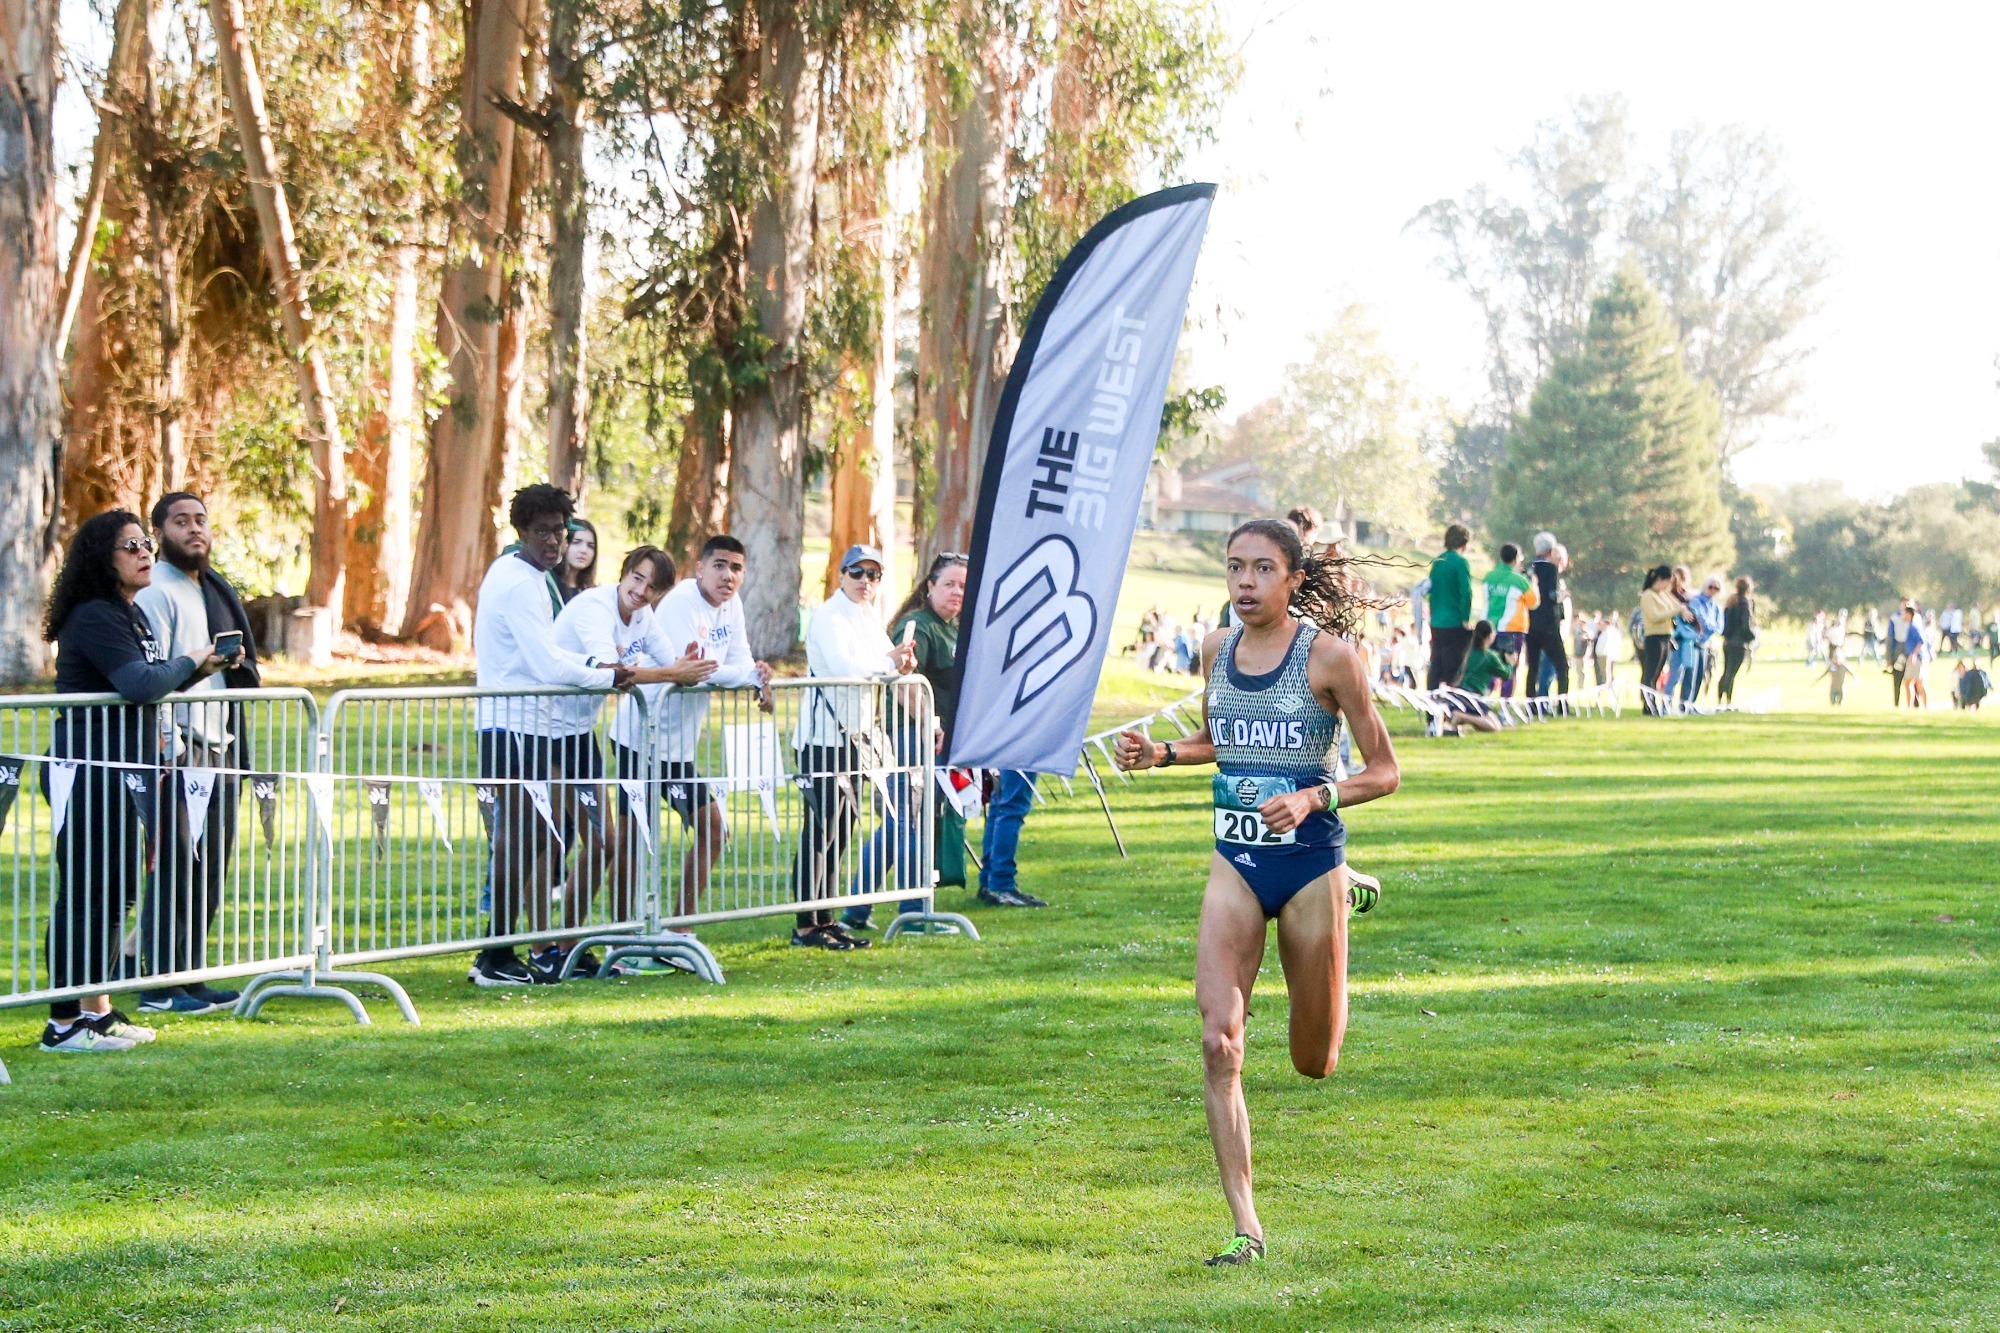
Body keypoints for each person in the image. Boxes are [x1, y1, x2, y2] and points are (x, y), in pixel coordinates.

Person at [1112, 519, 1400, 1267]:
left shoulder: (1331, 658)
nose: (1244, 582)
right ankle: (1246, 1225)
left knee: (1314, 1061)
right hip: (1237, 859)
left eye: (1262, 568)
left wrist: (1314, 798)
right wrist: (1164, 753)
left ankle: (1349, 892)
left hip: (1309, 864)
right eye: (1235, 567)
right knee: (1219, 1042)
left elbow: (1384, 771)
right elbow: (1223, 739)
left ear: (1293, 578)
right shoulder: (1216, 649)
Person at [39, 511, 231, 1053]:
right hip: (89, 773)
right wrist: (190, 657)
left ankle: (95, 1011)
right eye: (131, 546)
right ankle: (62, 1023)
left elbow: (150, 683)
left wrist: (203, 665)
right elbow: (139, 684)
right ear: (104, 559)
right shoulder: (95, 615)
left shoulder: (129, 613)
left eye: (146, 544)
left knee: (116, 895)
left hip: (128, 774)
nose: (144, 553)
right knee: (85, 896)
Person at [468, 486, 631, 987]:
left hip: (527, 724)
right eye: (543, 532)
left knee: (538, 836)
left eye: (560, 531)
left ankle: (518, 949)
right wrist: (604, 673)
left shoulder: (533, 578)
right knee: (521, 838)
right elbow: (542, 662)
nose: (554, 541)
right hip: (510, 725)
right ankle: (494, 955)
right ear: (521, 532)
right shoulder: (517, 581)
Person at [546, 545, 708, 978]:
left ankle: (568, 945)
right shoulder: (593, 609)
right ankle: (545, 950)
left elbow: (671, 659)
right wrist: (676, 673)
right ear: (623, 574)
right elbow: (613, 670)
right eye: (636, 578)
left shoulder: (643, 615)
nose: (641, 590)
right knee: (548, 844)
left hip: (579, 734)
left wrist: (687, 662)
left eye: (652, 586)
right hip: (542, 731)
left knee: (605, 842)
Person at [132, 491, 260, 1015]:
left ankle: (192, 973)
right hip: (180, 749)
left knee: (209, 867)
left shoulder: (211, 588)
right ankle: (159, 985)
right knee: (174, 867)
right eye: (180, 521)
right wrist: (166, 746)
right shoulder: (155, 592)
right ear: (159, 532)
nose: (194, 529)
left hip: (220, 747)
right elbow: (153, 672)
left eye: (201, 520)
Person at [630, 533, 774, 930]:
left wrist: (757, 674)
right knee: (629, 844)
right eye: (720, 566)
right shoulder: (680, 604)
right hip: (639, 738)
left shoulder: (733, 605)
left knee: (714, 829)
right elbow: (693, 673)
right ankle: (619, 937)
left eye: (737, 568)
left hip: (677, 748)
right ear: (700, 568)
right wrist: (748, 676)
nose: (728, 576)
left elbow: (739, 657)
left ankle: (679, 929)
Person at [792, 544, 918, 949]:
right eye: (857, 573)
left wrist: (900, 663)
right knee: (822, 828)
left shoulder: (866, 615)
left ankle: (826, 918)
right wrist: (888, 664)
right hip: (822, 739)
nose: (866, 582)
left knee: (842, 829)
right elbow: (847, 669)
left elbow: (882, 659)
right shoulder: (829, 617)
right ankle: (805, 925)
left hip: (855, 737)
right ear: (841, 575)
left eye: (874, 575)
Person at [844, 552, 969, 934]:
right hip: (908, 736)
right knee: (910, 823)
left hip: (936, 739)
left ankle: (855, 909)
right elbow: (901, 682)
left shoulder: (954, 627)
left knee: (900, 824)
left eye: (964, 586)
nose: (956, 592)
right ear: (929, 587)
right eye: (949, 584)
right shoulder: (918, 625)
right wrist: (930, 723)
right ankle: (915, 912)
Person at [1480, 542, 1537, 698]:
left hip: (1489, 628)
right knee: (1509, 668)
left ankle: (1482, 700)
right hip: (1511, 630)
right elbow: (1534, 603)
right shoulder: (1519, 580)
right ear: (1516, 558)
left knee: (1490, 666)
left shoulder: (1489, 577)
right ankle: (1505, 707)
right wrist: (1534, 584)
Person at [1424, 524, 1474, 689]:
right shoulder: (1461, 562)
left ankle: (1431, 710)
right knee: (1454, 669)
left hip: (1436, 620)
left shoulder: (1437, 562)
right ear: (1464, 543)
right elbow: (1465, 592)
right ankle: (1451, 709)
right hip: (1454, 622)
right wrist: (1465, 618)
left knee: (1436, 665)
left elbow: (1430, 589)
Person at [1523, 532, 1570, 703]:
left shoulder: (1528, 568)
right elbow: (1552, 595)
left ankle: (1531, 702)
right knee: (1562, 665)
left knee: (1533, 666)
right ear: (1551, 551)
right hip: (1549, 623)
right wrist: (1563, 595)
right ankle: (1562, 703)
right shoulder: (1551, 569)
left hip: (1530, 622)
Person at [1637, 567, 1680, 712]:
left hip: (1666, 636)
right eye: (1667, 582)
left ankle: (1653, 702)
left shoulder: (1664, 595)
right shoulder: (1648, 596)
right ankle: (1648, 704)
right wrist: (1676, 611)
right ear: (1660, 580)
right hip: (1653, 638)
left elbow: (1676, 605)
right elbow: (1654, 616)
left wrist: (1681, 609)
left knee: (1658, 673)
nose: (1668, 586)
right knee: (1651, 673)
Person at [1680, 575, 1724, 703]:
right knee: (1690, 676)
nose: (1713, 590)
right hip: (1693, 643)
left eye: (1716, 588)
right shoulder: (1696, 601)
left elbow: (1720, 627)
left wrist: (1712, 628)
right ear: (1705, 587)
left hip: (1705, 644)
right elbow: (1701, 621)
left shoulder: (1716, 606)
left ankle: (1692, 704)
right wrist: (1712, 627)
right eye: (1711, 587)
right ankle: (1684, 704)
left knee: (1700, 676)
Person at [1718, 576, 1756, 705]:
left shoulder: (1731, 602)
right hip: (1739, 643)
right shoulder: (1746, 603)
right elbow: (1746, 624)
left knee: (1726, 671)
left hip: (1727, 641)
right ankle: (1728, 700)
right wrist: (1751, 637)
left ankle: (1720, 699)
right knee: (1731, 673)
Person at [557, 517, 598, 604]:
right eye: (577, 542)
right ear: (564, 544)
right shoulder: (550, 583)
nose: (584, 550)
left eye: (590, 546)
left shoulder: (594, 594)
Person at [1903, 606, 1931, 708]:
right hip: (1916, 657)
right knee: (1911, 682)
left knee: (1916, 682)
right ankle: (1911, 706)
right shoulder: (1912, 626)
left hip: (1917, 658)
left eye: (1904, 613)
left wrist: (1913, 655)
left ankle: (1924, 706)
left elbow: (1921, 641)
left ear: (1909, 614)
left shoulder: (1913, 627)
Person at [1593, 612, 1622, 687]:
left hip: (1606, 655)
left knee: (1607, 672)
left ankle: (1609, 687)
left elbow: (1610, 645)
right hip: (1602, 655)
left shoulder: (1610, 632)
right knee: (1604, 672)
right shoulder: (1604, 632)